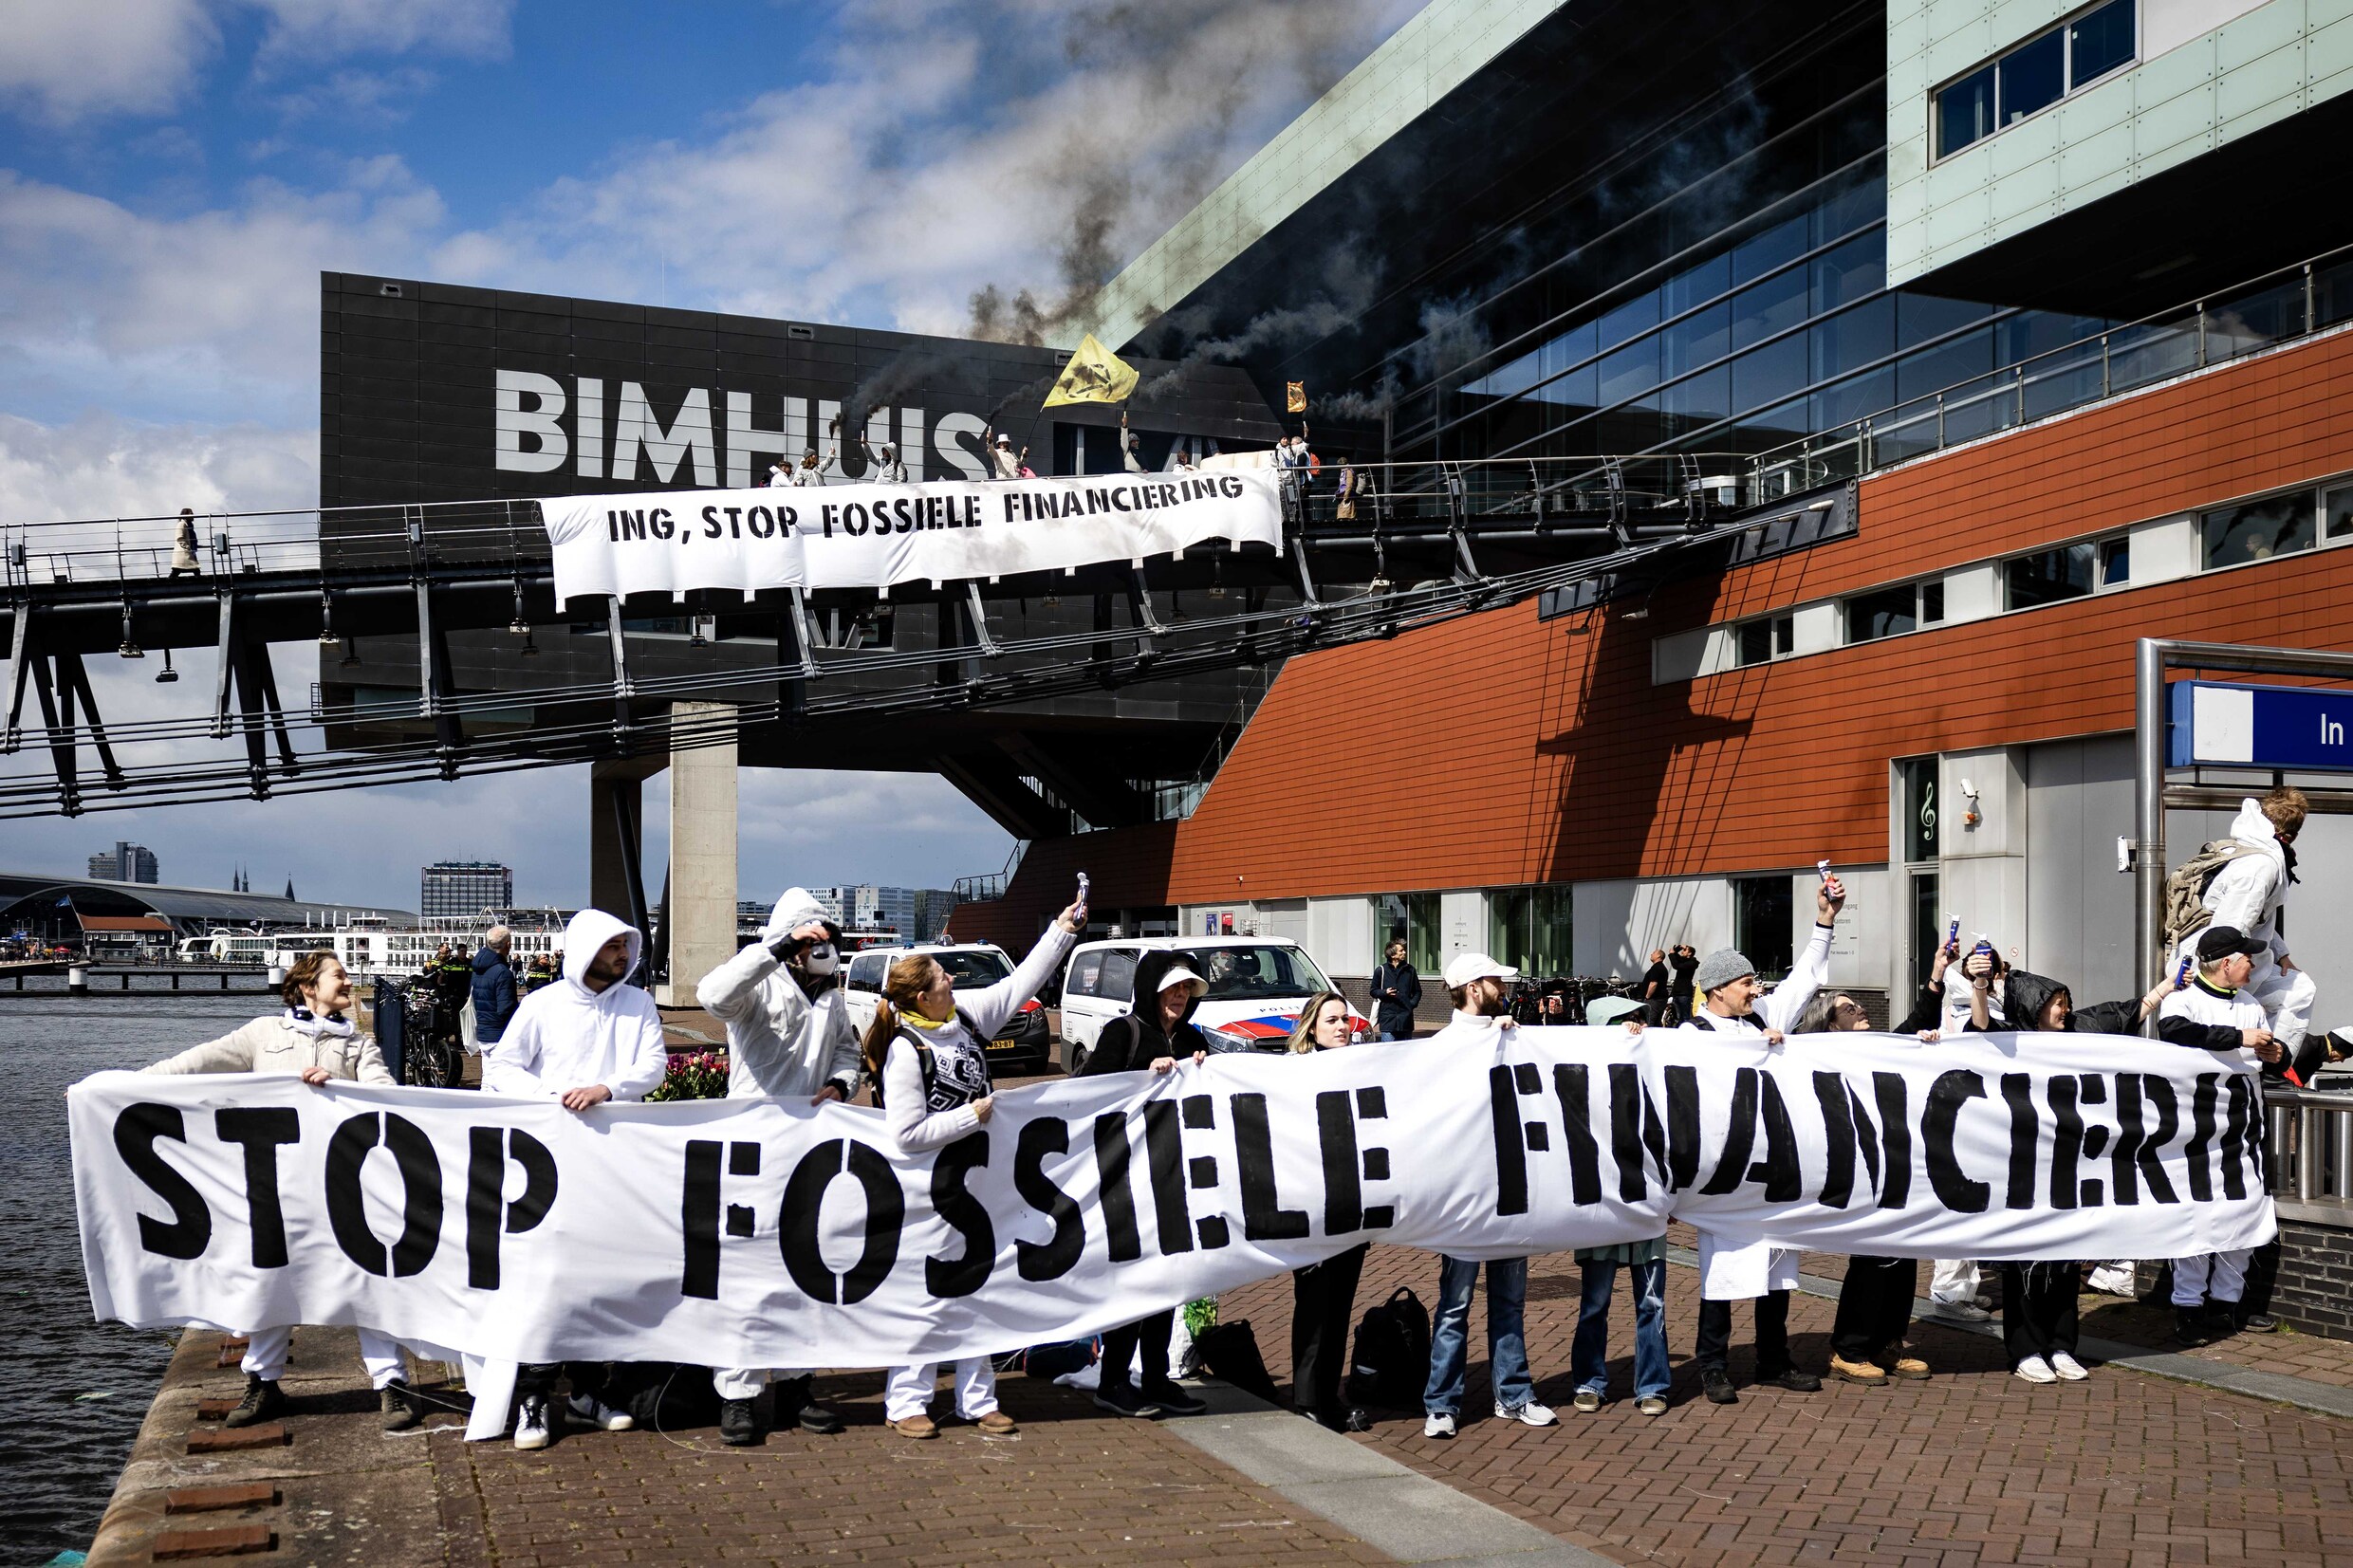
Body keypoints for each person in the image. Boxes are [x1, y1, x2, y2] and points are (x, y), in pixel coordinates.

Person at [140, 950, 424, 1432]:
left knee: (370, 1279)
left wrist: (337, 1086)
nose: (348, 982)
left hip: (345, 1187)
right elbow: (196, 1064)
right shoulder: (263, 1034)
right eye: (339, 975)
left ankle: (391, 1384)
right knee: (270, 1282)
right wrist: (120, 1085)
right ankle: (263, 1383)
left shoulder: (358, 1044)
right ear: (308, 986)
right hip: (273, 1184)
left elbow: (384, 1093)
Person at [862, 899, 1085, 1438]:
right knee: (927, 1295)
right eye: (943, 976)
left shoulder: (962, 1018)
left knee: (981, 1291)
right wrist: (971, 1114)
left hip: (981, 1186)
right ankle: (907, 1402)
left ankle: (978, 1397)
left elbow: (1019, 984)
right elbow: (907, 1134)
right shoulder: (904, 1051)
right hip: (931, 1195)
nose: (952, 978)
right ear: (922, 996)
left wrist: (1061, 930)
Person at [484, 909, 668, 1448]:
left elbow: (653, 1065)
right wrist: (555, 1098)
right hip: (548, 1163)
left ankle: (590, 1390)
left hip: (613, 1164)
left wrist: (606, 1089)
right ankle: (535, 1397)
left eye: (624, 947)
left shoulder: (639, 1004)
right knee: (544, 1276)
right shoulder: (542, 1005)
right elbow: (501, 1067)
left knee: (598, 1274)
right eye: (611, 947)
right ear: (585, 951)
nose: (621, 956)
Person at [695, 889, 861, 1445]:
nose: (820, 949)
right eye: (810, 939)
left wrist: (842, 1082)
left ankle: (794, 1385)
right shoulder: (756, 984)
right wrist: (776, 947)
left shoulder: (831, 995)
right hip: (752, 1147)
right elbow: (711, 994)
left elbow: (846, 1048)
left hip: (806, 1148)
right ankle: (738, 1394)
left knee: (802, 1267)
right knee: (744, 1273)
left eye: (824, 939)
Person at [1678, 872, 1843, 1405]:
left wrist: (1825, 919)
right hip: (1724, 1175)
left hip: (1774, 1172)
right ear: (1719, 987)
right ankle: (1713, 1365)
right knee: (1721, 1273)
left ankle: (1774, 1359)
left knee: (1777, 1269)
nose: (1758, 989)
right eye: (1748, 982)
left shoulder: (1763, 1020)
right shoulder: (1689, 1037)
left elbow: (1804, 980)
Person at [1420, 952, 1555, 1439]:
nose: (1504, 986)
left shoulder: (1509, 1035)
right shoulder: (1441, 1046)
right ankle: (1442, 1403)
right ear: (1474, 988)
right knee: (1454, 1305)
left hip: (1510, 1192)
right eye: (1496, 980)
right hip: (1465, 1199)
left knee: (1509, 1302)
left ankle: (1514, 1394)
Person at [1076, 949, 1213, 1419]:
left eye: (1186, 989)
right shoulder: (1123, 1032)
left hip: (1175, 1176)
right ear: (1151, 989)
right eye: (1171, 987)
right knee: (1133, 1280)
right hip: (1127, 1177)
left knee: (1169, 1281)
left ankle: (1155, 1379)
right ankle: (1114, 1380)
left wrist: (1201, 1067)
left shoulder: (1194, 1037)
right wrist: (1139, 1077)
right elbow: (1088, 1090)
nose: (1179, 996)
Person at [2157, 925, 2287, 1348]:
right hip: (2193, 1126)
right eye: (2247, 958)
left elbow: (2265, 1058)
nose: (2253, 964)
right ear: (2227, 962)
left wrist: (2273, 1052)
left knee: (2242, 1208)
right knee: (2196, 1211)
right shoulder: (2183, 1000)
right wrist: (2239, 1039)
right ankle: (2188, 1307)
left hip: (2243, 1125)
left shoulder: (2250, 1004)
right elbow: (2176, 1033)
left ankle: (2226, 1303)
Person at [2183, 789, 2320, 1078]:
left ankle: (2271, 1067)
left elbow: (2257, 917)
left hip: (2229, 956)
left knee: (2300, 989)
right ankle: (2249, 1072)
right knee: (2218, 1022)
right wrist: (2223, 980)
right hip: (2214, 963)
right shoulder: (2261, 865)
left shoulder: (2250, 846)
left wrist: (2281, 953)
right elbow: (2230, 926)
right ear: (2293, 835)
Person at [1287, 992, 1373, 1430]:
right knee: (1314, 1306)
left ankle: (1328, 1395)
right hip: (1313, 1212)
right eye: (1331, 1020)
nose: (1341, 1027)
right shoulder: (1294, 1074)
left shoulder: (1362, 1066)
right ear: (1312, 1027)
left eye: (1346, 1019)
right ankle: (1306, 1398)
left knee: (1340, 1307)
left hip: (1352, 1209)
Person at [470, 925, 519, 1051]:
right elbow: (506, 1008)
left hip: (482, 1031)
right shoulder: (503, 972)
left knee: (487, 1070)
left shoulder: (477, 969)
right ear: (508, 945)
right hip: (499, 1033)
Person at [1369, 939, 1421, 1041]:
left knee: (1406, 1053)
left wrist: (1411, 1004)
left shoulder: (1410, 970)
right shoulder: (1381, 970)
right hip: (1388, 1019)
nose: (1404, 952)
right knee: (1388, 1053)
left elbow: (1417, 991)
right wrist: (1385, 992)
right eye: (1401, 951)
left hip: (1405, 1019)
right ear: (1393, 955)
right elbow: (1373, 991)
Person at [1667, 944, 1698, 1025]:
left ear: (1690, 953)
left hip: (1684, 993)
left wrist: (1671, 955)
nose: (1682, 952)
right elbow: (1675, 954)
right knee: (1677, 1016)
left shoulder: (1691, 963)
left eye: (1685, 950)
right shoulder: (1684, 961)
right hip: (1677, 992)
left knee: (1685, 1017)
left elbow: (1676, 965)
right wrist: (1680, 947)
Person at [1640, 949, 1671, 1027]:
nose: (1651, 954)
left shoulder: (1656, 968)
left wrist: (1647, 996)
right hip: (1661, 999)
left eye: (1653, 953)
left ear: (1659, 956)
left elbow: (1653, 983)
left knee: (1649, 1021)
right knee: (1657, 1022)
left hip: (1654, 999)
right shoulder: (1662, 968)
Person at [170, 507, 201, 575]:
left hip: (189, 552)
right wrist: (187, 547)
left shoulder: (189, 525)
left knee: (177, 570)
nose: (193, 515)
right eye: (191, 513)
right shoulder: (182, 524)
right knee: (195, 569)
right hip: (184, 552)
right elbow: (180, 538)